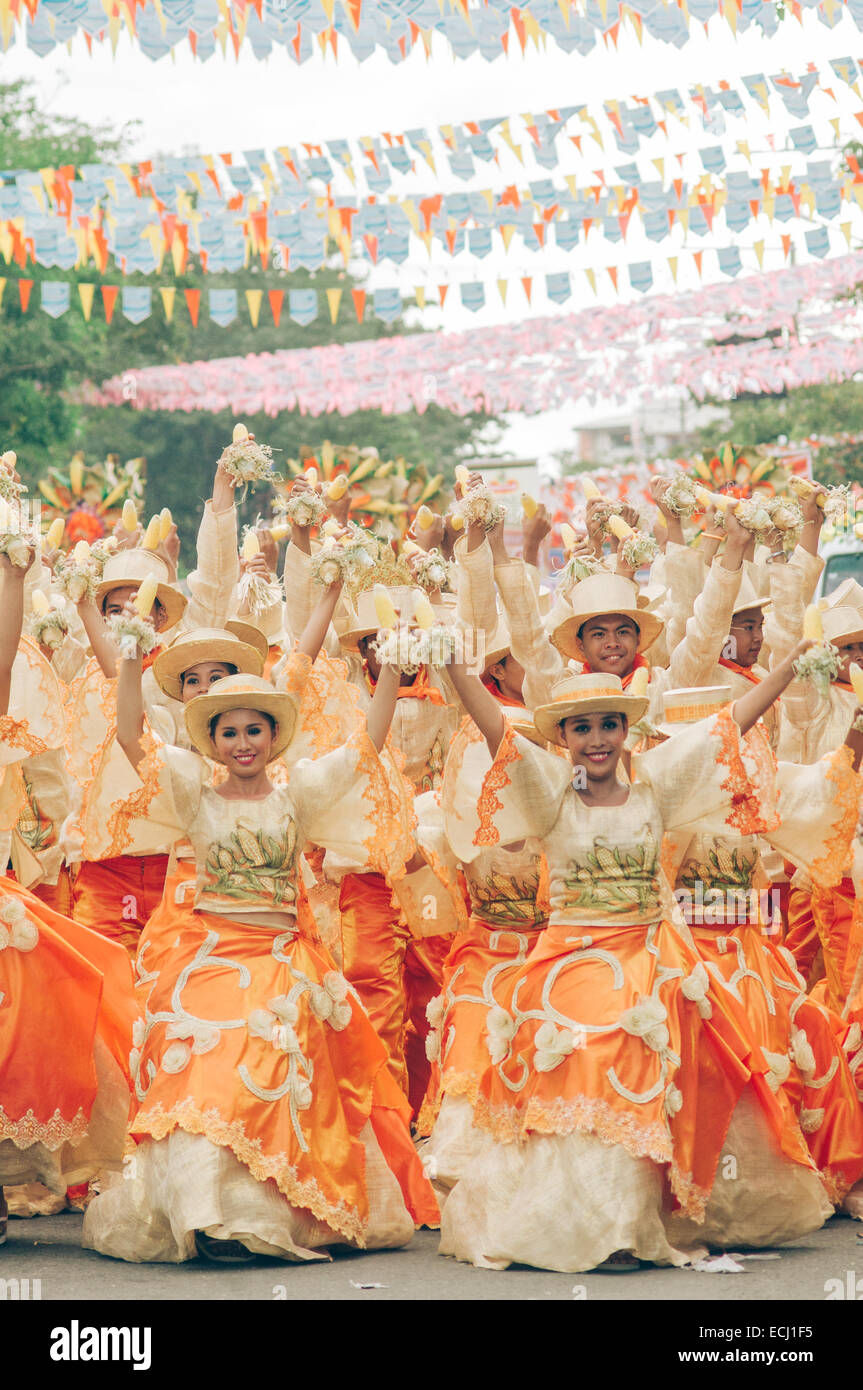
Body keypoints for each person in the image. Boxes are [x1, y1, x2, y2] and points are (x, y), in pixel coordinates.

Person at [431, 643, 834, 1272]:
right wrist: (455, 668)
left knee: (666, 1036)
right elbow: (495, 732)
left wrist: (789, 665)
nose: (597, 739)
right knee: (595, 1041)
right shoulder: (548, 795)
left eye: (609, 724)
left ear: (626, 731)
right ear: (562, 736)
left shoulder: (656, 786)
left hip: (651, 954)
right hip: (568, 961)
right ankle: (598, 1220)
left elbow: (728, 727)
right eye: (583, 727)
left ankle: (639, 1217)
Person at [82, 628, 438, 1263]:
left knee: (271, 1049)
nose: (242, 743)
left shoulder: (296, 795)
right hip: (210, 958)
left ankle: (267, 1213)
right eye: (229, 732)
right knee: (203, 1051)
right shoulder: (192, 793)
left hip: (283, 960)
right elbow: (133, 735)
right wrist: (131, 657)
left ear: (273, 737)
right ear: (211, 742)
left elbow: (364, 751)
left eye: (254, 730)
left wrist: (391, 675)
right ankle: (209, 1215)